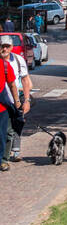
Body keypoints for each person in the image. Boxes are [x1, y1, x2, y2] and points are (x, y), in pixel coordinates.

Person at [3, 38, 31, 164]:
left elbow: (25, 79)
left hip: (17, 97)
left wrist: (26, 99)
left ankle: (16, 151)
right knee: (7, 127)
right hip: (3, 99)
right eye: (2, 46)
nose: (4, 49)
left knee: (17, 123)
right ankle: (5, 153)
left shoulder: (18, 60)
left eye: (7, 46)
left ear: (12, 46)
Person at [0, 38, 23, 171]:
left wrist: (17, 102)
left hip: (3, 107)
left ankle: (3, 159)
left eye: (6, 46)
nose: (4, 49)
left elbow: (13, 85)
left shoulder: (5, 65)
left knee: (4, 134)